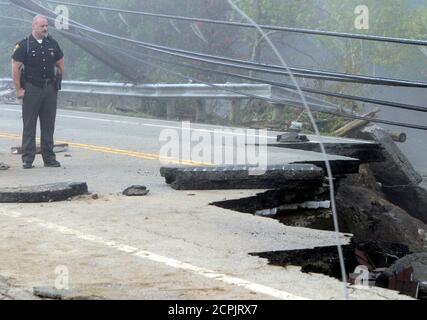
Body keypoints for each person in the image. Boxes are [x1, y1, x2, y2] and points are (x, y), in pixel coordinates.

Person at [11, 15, 64, 169]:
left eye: (46, 25)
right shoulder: (24, 45)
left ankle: (49, 158)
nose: (45, 28)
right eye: (42, 26)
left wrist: (58, 79)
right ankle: (27, 159)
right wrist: (19, 89)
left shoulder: (52, 43)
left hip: (49, 89)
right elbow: (15, 67)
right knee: (29, 125)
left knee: (48, 125)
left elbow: (60, 62)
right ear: (34, 26)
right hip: (32, 88)